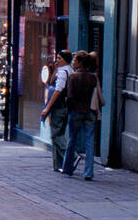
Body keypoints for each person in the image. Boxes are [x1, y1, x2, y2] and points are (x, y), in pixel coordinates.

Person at [61, 51, 99, 180]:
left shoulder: (73, 77)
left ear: (80, 62)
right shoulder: (93, 77)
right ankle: (88, 172)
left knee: (72, 139)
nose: (73, 62)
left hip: (76, 111)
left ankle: (67, 168)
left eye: (75, 60)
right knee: (89, 142)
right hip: (89, 111)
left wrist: (70, 109)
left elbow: (70, 96)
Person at [40, 49, 72, 171]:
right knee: (59, 133)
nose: (57, 60)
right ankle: (58, 164)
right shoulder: (66, 70)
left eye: (60, 58)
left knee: (55, 134)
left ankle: (71, 157)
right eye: (57, 58)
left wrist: (48, 107)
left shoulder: (63, 72)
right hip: (64, 106)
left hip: (59, 107)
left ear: (65, 60)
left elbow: (58, 90)